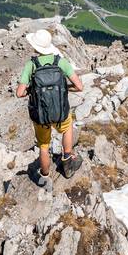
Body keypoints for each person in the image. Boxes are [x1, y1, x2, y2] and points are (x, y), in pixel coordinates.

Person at [15, 29, 85, 185]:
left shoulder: (31, 65)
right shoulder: (60, 62)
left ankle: (45, 175)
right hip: (60, 111)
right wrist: (66, 88)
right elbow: (79, 86)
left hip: (40, 115)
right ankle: (67, 159)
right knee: (67, 128)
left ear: (35, 47)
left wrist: (31, 90)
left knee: (44, 145)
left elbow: (19, 93)